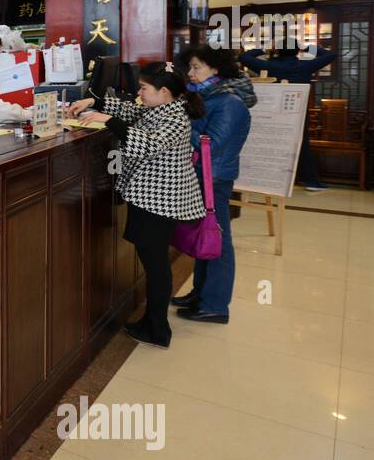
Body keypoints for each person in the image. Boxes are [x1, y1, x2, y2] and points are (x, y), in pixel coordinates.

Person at [71, 62, 206, 348]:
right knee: (153, 263)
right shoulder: (163, 108)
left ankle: (158, 329)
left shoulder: (175, 118)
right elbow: (130, 111)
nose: (139, 93)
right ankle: (152, 322)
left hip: (160, 202)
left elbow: (144, 143)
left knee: (156, 266)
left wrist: (105, 119)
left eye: (144, 88)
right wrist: (94, 102)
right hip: (151, 199)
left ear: (164, 91)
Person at [171, 45, 253, 325]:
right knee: (204, 236)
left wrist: (182, 122)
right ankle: (201, 294)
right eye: (189, 68)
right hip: (202, 175)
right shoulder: (207, 96)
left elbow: (212, 145)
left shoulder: (229, 101)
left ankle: (216, 304)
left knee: (218, 240)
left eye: (196, 68)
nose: (190, 74)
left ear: (215, 68)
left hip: (213, 177)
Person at [239, 43, 335, 191]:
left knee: (267, 144)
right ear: (297, 50)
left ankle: (263, 180)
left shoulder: (267, 66)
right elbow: (330, 55)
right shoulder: (305, 66)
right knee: (302, 144)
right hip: (297, 110)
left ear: (277, 50)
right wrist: (307, 47)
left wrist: (265, 48)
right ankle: (311, 181)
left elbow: (244, 57)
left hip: (270, 112)